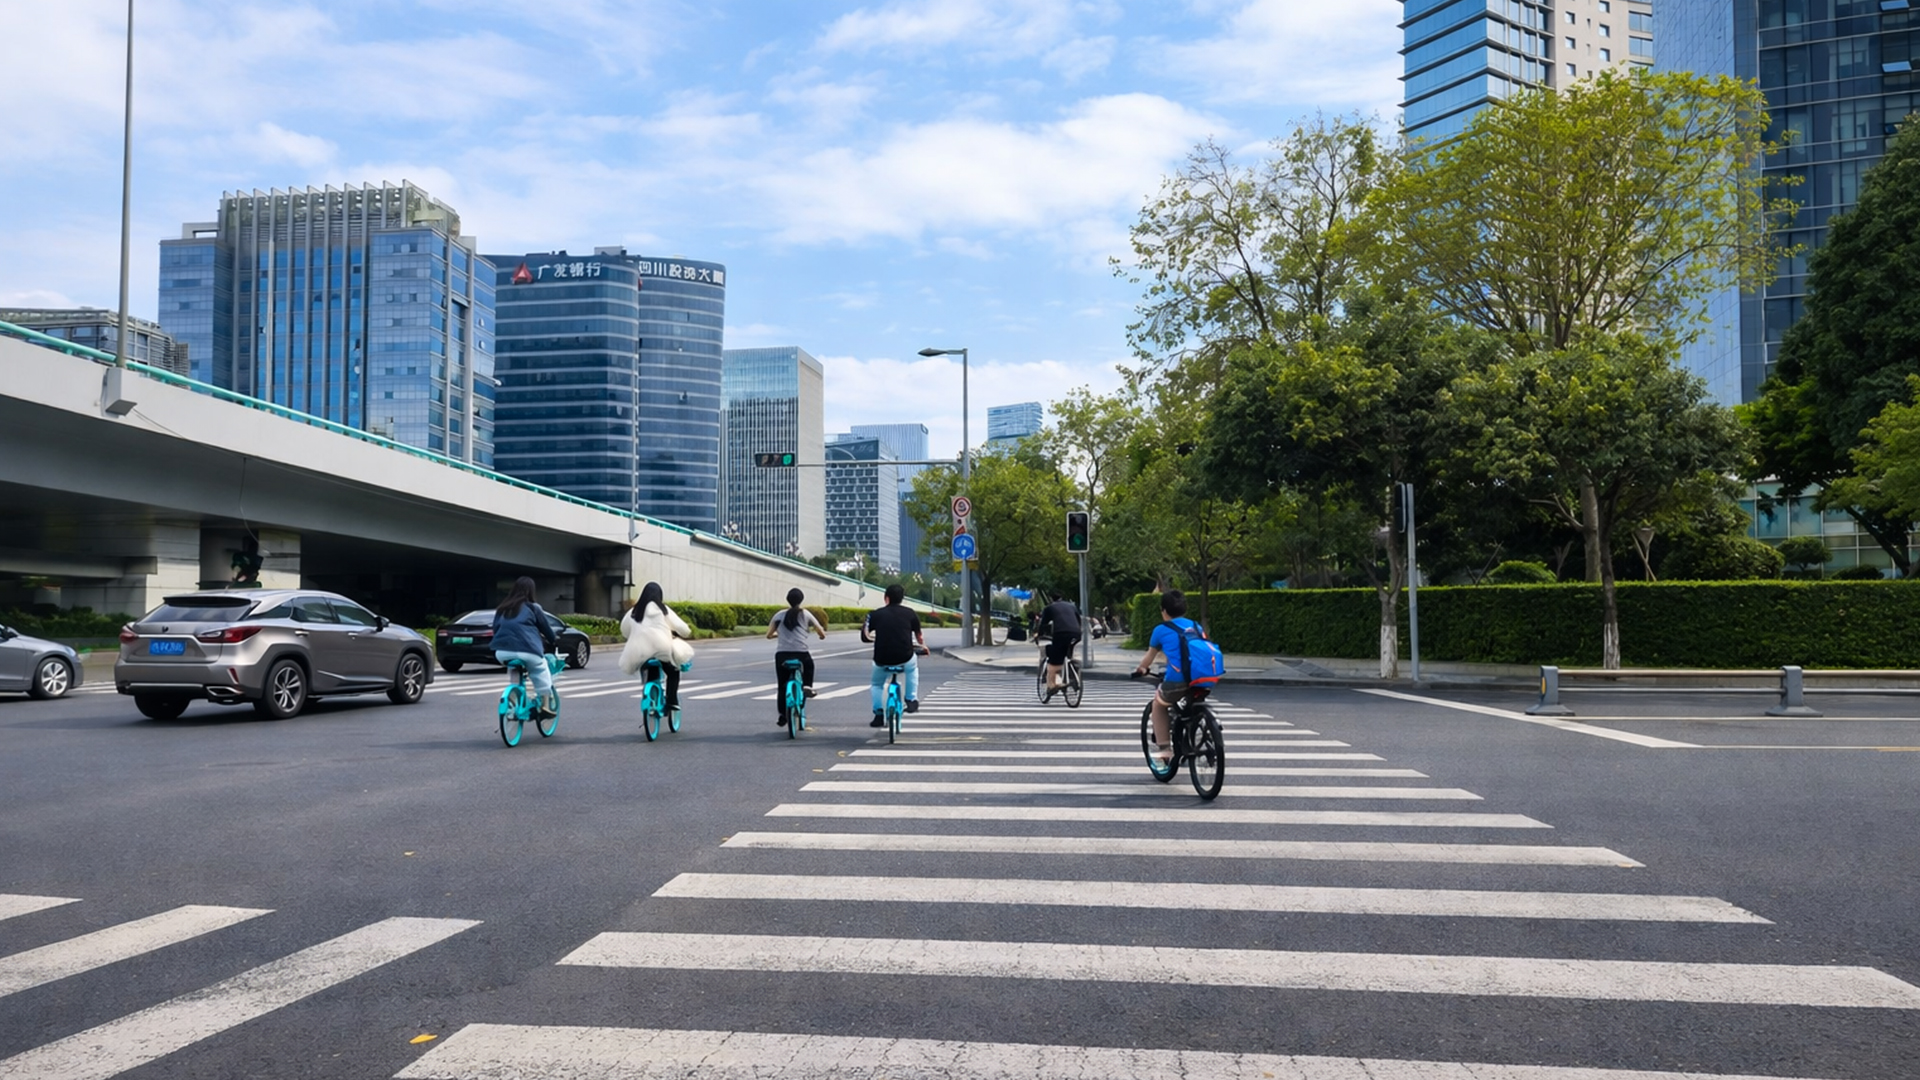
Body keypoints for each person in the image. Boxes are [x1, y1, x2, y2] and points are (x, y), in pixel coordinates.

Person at [1131, 589, 1204, 765]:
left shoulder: (1160, 630)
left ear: (1164, 610)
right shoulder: (1196, 626)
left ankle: (1165, 750)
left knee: (1158, 704)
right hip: (1203, 678)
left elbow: (1149, 657)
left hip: (1177, 680)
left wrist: (1141, 669)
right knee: (1191, 704)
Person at [619, 582, 695, 721]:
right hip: (661, 650)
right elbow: (682, 628)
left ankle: (649, 692)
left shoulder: (634, 611)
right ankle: (671, 700)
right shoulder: (663, 610)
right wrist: (687, 632)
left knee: (647, 667)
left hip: (637, 652)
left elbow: (624, 630)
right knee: (673, 672)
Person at [861, 583, 928, 727]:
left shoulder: (875, 614)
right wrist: (923, 646)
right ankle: (911, 700)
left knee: (877, 684)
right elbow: (919, 637)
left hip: (882, 658)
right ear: (902, 599)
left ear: (886, 598)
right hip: (905, 657)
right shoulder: (910, 613)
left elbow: (865, 637)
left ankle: (878, 714)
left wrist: (876, 637)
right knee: (912, 669)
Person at [492, 576, 559, 716]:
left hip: (501, 652)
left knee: (514, 668)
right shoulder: (533, 608)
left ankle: (514, 695)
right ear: (531, 591)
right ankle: (545, 704)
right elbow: (545, 629)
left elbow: (495, 628)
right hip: (527, 650)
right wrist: (553, 640)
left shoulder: (502, 609)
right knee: (540, 670)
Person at [766, 587, 826, 727]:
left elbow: (768, 635)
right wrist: (821, 635)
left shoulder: (779, 615)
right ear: (801, 600)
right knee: (809, 666)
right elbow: (820, 630)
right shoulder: (805, 614)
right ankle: (807, 686)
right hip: (801, 654)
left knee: (782, 685)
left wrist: (778, 635)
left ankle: (782, 715)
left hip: (782, 655)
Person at [1033, 596, 1083, 701]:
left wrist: (1038, 634)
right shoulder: (1072, 606)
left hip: (1061, 633)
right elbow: (1079, 620)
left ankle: (1052, 685)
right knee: (1067, 652)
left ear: (1051, 599)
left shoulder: (1049, 608)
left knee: (1054, 657)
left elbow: (1043, 624)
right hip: (1076, 633)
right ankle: (1072, 673)